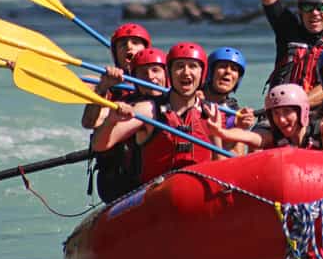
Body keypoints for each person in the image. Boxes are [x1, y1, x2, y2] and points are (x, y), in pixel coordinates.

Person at [92, 42, 238, 184]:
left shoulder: (212, 113)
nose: (186, 72)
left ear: (202, 74)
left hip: (199, 190)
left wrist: (222, 133)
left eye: (193, 66)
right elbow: (99, 146)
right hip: (156, 192)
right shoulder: (148, 110)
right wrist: (111, 121)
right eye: (179, 66)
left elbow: (223, 170)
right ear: (169, 73)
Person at [90, 47, 168, 203]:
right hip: (129, 185)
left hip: (172, 182)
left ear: (167, 75)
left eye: (155, 70)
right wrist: (102, 89)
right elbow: (91, 122)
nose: (150, 77)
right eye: (143, 73)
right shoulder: (127, 106)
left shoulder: (184, 103)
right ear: (135, 78)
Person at [206, 83, 323, 152]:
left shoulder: (319, 129)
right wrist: (221, 132)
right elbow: (249, 136)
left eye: (287, 112)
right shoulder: (273, 135)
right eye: (276, 113)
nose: (281, 120)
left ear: (302, 111)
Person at [81, 23, 152, 129]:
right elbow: (89, 123)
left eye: (135, 43)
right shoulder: (109, 85)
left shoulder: (160, 79)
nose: (129, 46)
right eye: (123, 44)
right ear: (116, 55)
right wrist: (102, 88)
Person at [203, 47, 256, 156]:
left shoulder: (234, 114)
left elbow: (237, 155)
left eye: (234, 69)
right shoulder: (190, 99)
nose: (228, 72)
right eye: (222, 66)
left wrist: (240, 128)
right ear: (210, 72)